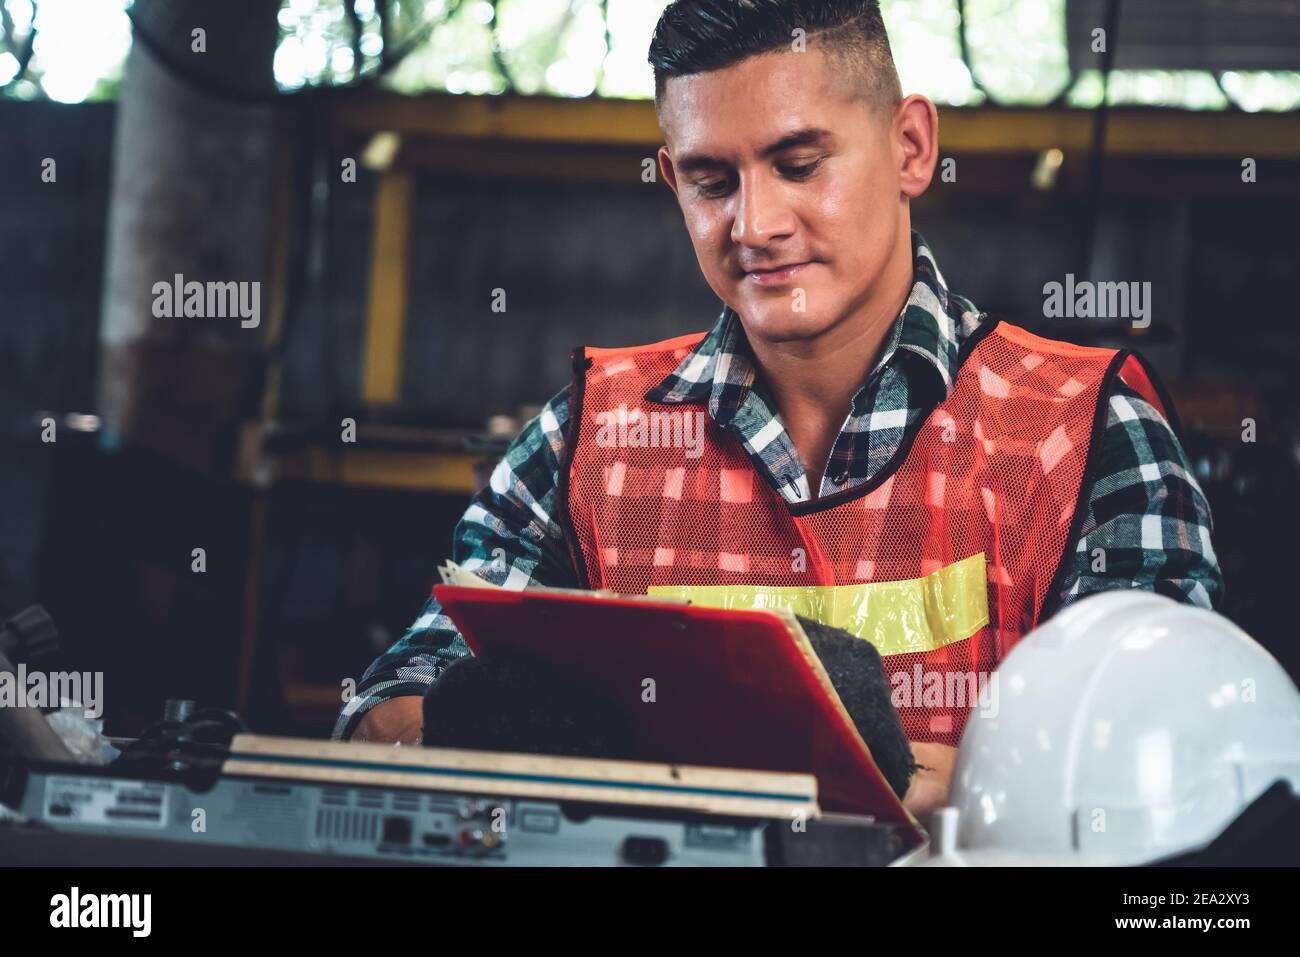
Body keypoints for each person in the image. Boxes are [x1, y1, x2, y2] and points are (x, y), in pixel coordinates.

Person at [335, 0, 1222, 820]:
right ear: (669, 178)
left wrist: (983, 797)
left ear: (912, 146)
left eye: (799, 165)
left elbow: (1166, 779)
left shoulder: (1088, 434)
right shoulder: (588, 437)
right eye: (711, 180)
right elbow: (391, 703)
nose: (754, 224)